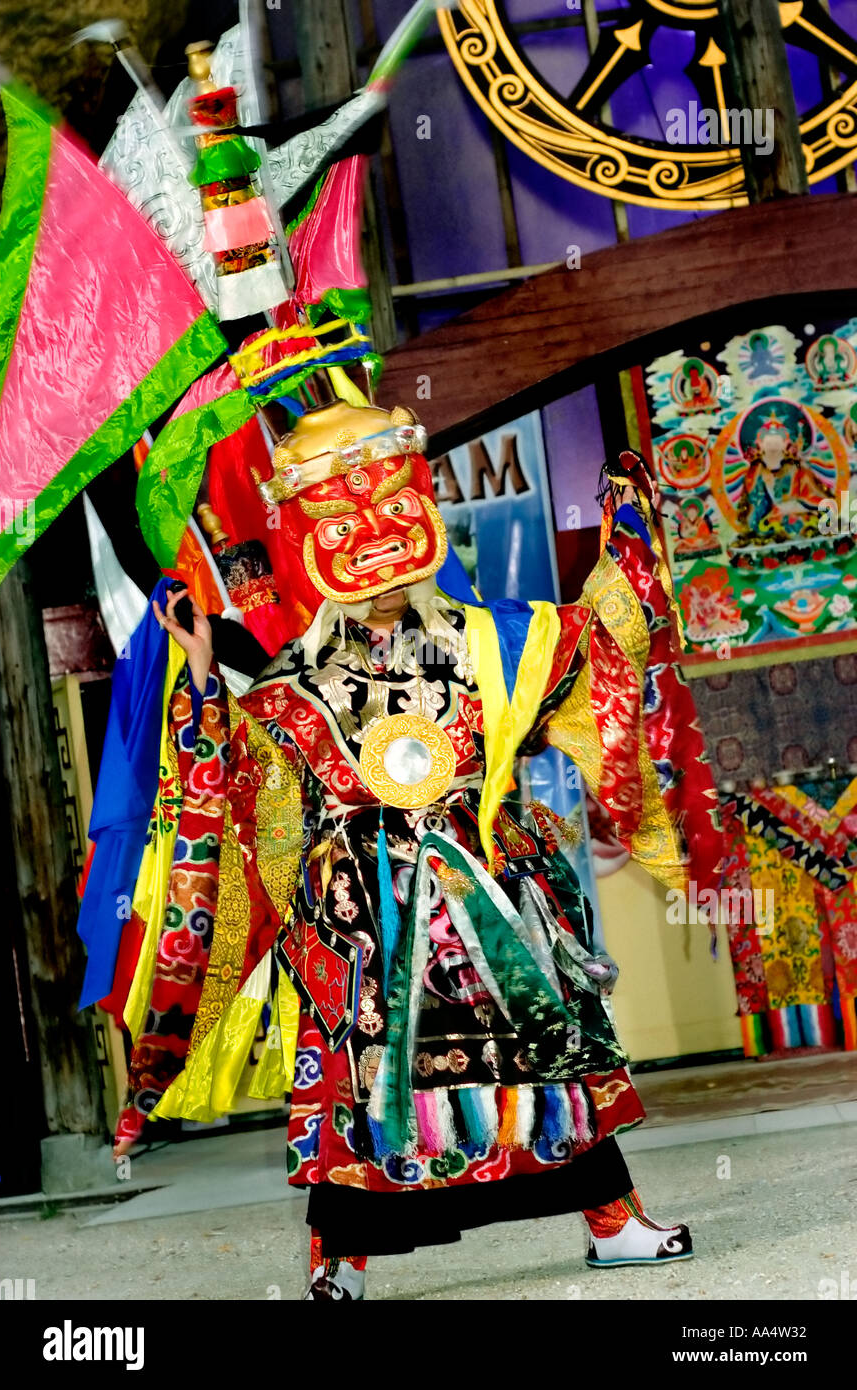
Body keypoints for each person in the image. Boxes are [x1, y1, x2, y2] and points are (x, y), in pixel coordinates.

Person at [117, 401, 720, 1299]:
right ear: (314, 547)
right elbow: (245, 793)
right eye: (343, 523)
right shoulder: (293, 683)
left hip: (491, 887)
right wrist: (205, 682)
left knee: (550, 1052)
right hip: (362, 920)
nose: (376, 558)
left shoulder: (493, 645)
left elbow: (599, 651)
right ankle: (339, 1263)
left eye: (391, 510)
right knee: (364, 1085)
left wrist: (624, 546)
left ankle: (614, 1220)